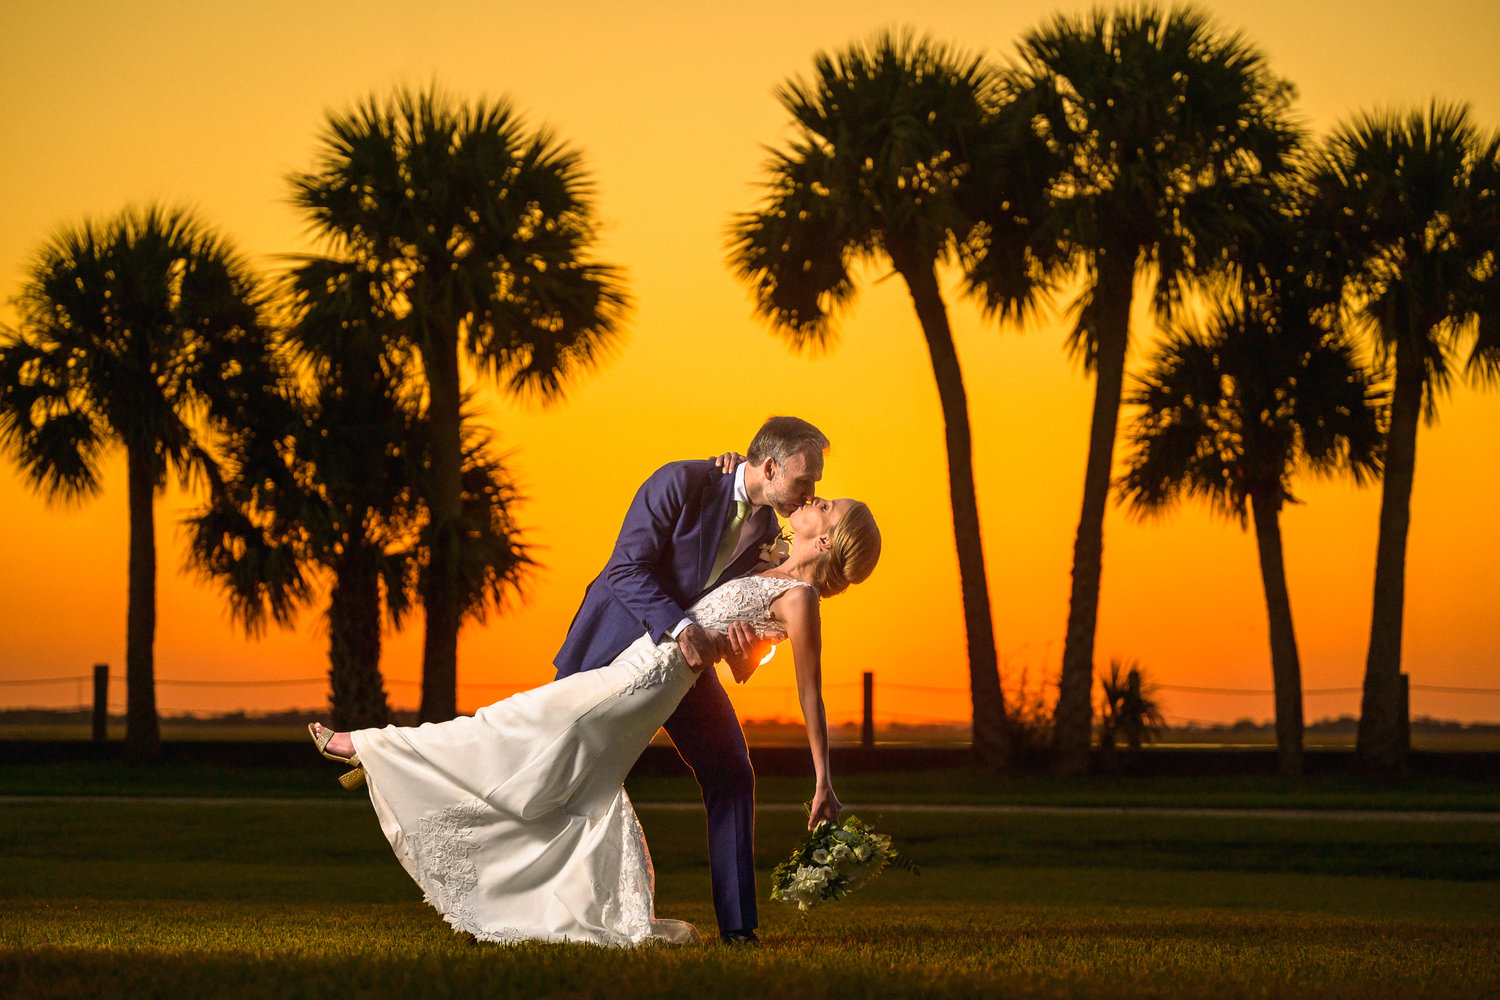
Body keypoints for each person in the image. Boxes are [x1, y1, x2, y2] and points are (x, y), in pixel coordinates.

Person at [310, 495, 881, 947]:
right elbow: (743, 660)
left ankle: (371, 746)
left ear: (826, 538)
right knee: (567, 766)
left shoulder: (802, 599)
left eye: (826, 506)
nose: (815, 500)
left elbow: (811, 695)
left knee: (521, 720)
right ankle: (389, 759)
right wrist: (739, 649)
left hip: (645, 681)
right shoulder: (770, 563)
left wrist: (823, 782)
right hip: (643, 660)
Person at [553, 415, 831, 945]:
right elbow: (624, 570)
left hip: (685, 670)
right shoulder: (680, 482)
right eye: (805, 481)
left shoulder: (771, 532)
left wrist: (743, 653)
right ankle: (512, 904)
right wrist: (681, 628)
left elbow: (738, 641)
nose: (810, 493)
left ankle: (738, 928)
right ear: (770, 467)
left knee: (731, 773)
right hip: (611, 647)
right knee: (559, 776)